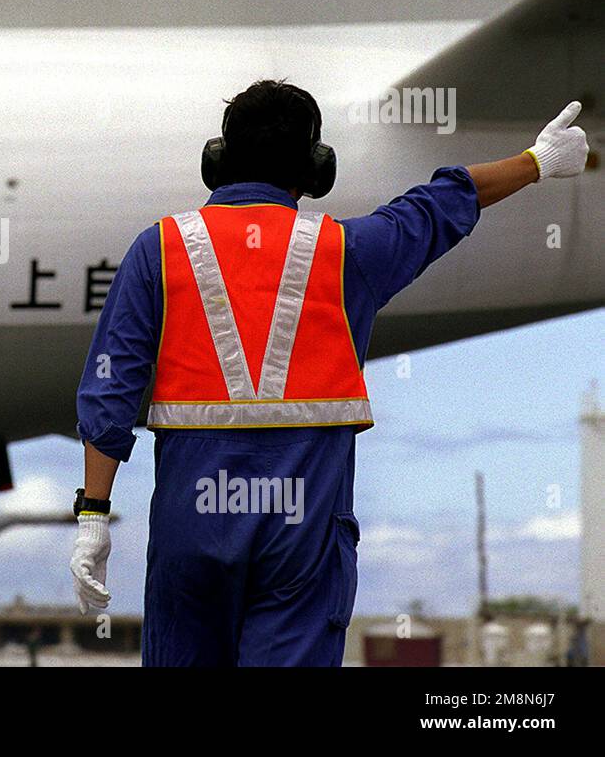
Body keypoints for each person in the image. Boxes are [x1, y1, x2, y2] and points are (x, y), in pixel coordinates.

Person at [69, 81, 589, 666]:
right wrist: (535, 163)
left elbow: (110, 389)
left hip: (193, 525)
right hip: (302, 530)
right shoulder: (348, 251)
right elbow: (438, 205)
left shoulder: (158, 250)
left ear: (218, 158)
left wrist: (93, 517)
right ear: (317, 166)